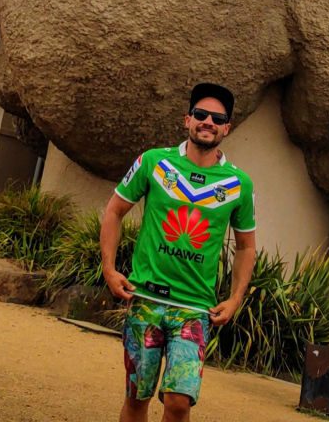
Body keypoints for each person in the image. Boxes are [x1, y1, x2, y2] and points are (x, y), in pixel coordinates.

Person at [100, 82, 257, 422]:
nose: (208, 122)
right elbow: (114, 211)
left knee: (178, 402)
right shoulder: (154, 163)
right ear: (187, 119)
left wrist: (234, 299)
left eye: (218, 118)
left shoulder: (238, 184)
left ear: (227, 127)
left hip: (194, 308)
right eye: (201, 114)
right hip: (145, 299)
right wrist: (109, 269)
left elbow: (246, 246)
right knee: (137, 398)